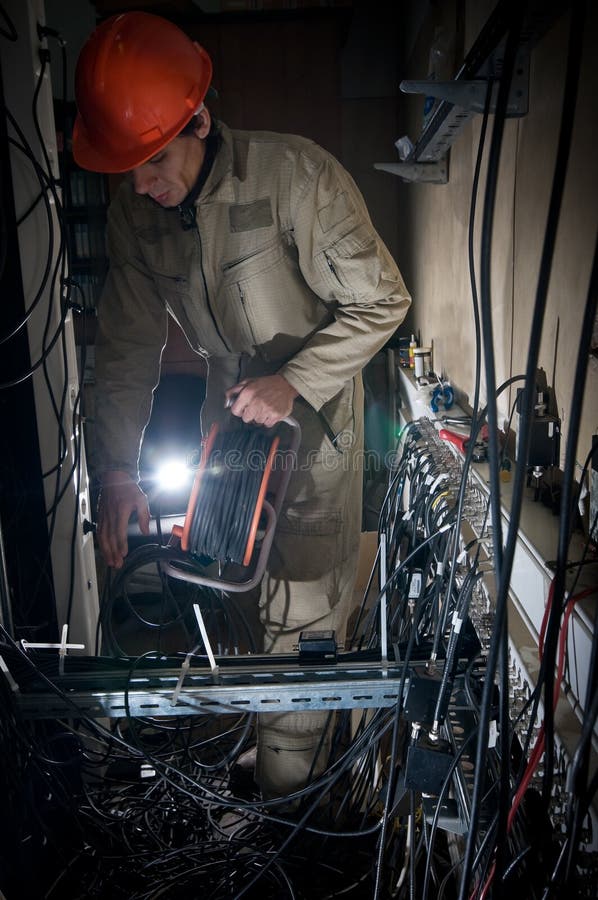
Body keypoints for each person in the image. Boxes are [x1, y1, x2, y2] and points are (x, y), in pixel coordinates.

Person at [73, 11, 411, 801]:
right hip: (228, 439)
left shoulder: (297, 177)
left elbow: (383, 302)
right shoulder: (138, 212)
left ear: (199, 119)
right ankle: (283, 757)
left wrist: (293, 381)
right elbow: (124, 349)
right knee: (243, 606)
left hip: (313, 433)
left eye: (153, 161)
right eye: (125, 170)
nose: (141, 185)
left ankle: (292, 818)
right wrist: (117, 470)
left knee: (302, 618)